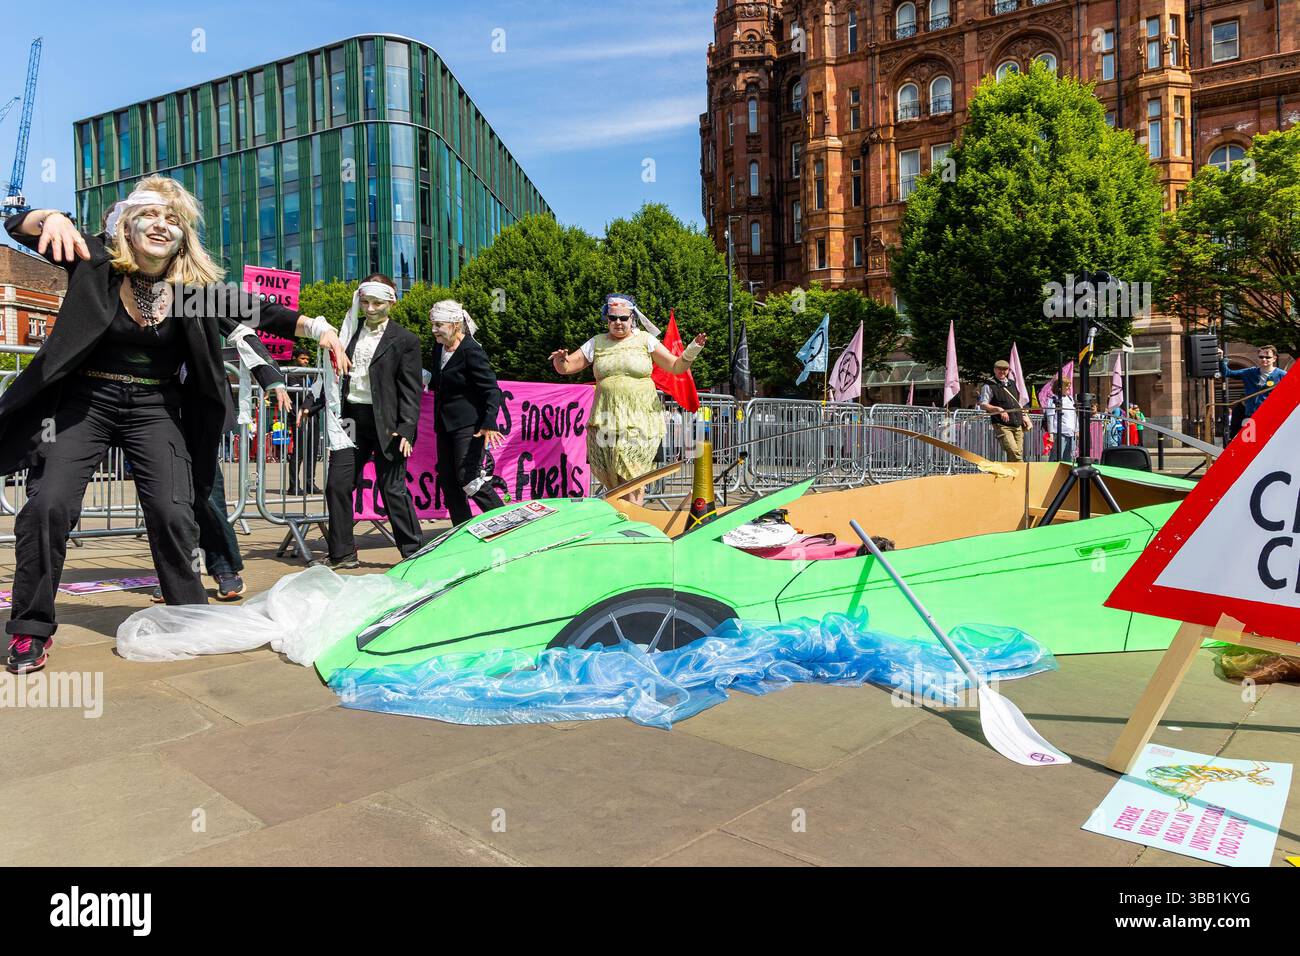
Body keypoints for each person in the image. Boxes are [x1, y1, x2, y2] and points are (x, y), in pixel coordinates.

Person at [0, 177, 348, 674]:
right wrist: (49, 216)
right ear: (127, 222)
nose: (162, 226)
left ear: (184, 236)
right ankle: (30, 630)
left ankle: (189, 615)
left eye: (174, 220)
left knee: (173, 510)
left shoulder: (190, 293)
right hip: (83, 404)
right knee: (49, 506)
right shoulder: (94, 263)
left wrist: (319, 328)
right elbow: (20, 226)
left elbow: (256, 309)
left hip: (154, 407)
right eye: (152, 215)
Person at [549, 293, 705, 504]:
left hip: (640, 420)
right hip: (606, 419)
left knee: (632, 472)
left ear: (633, 318)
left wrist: (692, 349)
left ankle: (633, 520)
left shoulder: (645, 340)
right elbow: (567, 367)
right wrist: (560, 360)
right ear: (607, 319)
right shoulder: (597, 342)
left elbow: (676, 366)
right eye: (613, 318)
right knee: (613, 476)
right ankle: (622, 519)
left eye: (623, 318)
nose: (618, 322)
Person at [320, 274, 424, 568]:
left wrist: (406, 428)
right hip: (351, 420)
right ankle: (342, 553)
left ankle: (414, 552)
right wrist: (311, 403)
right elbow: (332, 376)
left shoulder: (406, 340)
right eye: (365, 302)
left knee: (392, 488)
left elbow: (411, 390)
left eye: (376, 302)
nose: (370, 308)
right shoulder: (348, 334)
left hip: (388, 424)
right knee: (338, 485)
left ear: (391, 301)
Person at [427, 300, 506, 526]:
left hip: (469, 425)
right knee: (448, 479)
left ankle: (507, 522)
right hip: (444, 425)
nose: (434, 330)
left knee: (468, 477)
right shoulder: (438, 347)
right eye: (433, 324)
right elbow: (439, 381)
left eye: (439, 325)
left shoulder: (472, 351)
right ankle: (461, 527)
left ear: (455, 325)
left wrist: (489, 422)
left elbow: (491, 389)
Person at [1218, 345, 1286, 439]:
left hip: (1272, 415)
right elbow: (1228, 373)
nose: (1264, 359)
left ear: (1274, 358)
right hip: (1251, 414)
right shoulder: (1250, 372)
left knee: (1270, 440)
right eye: (1261, 357)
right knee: (1252, 442)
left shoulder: (1282, 375)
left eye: (1267, 357)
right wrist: (1221, 359)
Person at [977, 359, 1032, 462]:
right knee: (1015, 453)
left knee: (1017, 453)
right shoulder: (989, 385)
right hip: (1002, 425)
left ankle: (1012, 475)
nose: (1002, 371)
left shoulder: (1013, 383)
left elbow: (1018, 403)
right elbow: (983, 404)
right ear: (994, 370)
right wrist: (997, 409)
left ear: (1008, 371)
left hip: (1018, 424)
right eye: (999, 369)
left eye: (1005, 369)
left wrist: (1025, 416)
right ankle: (1022, 474)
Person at [288, 346, 322, 495]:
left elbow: (319, 395)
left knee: (312, 452)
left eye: (307, 359)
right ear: (295, 358)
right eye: (302, 358)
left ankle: (310, 483)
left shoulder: (311, 375)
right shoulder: (291, 375)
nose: (305, 361)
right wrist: (311, 399)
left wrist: (311, 406)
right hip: (298, 417)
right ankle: (293, 485)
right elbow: (301, 398)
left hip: (312, 416)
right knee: (299, 452)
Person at [1042, 379, 1077, 463]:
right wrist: (1050, 434)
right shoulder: (1053, 399)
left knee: (1069, 458)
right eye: (1066, 385)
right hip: (1059, 433)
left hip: (1071, 433)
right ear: (1060, 387)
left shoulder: (1070, 399)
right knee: (1057, 457)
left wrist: (1077, 429)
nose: (1069, 387)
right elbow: (1050, 417)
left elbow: (1074, 415)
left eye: (1069, 385)